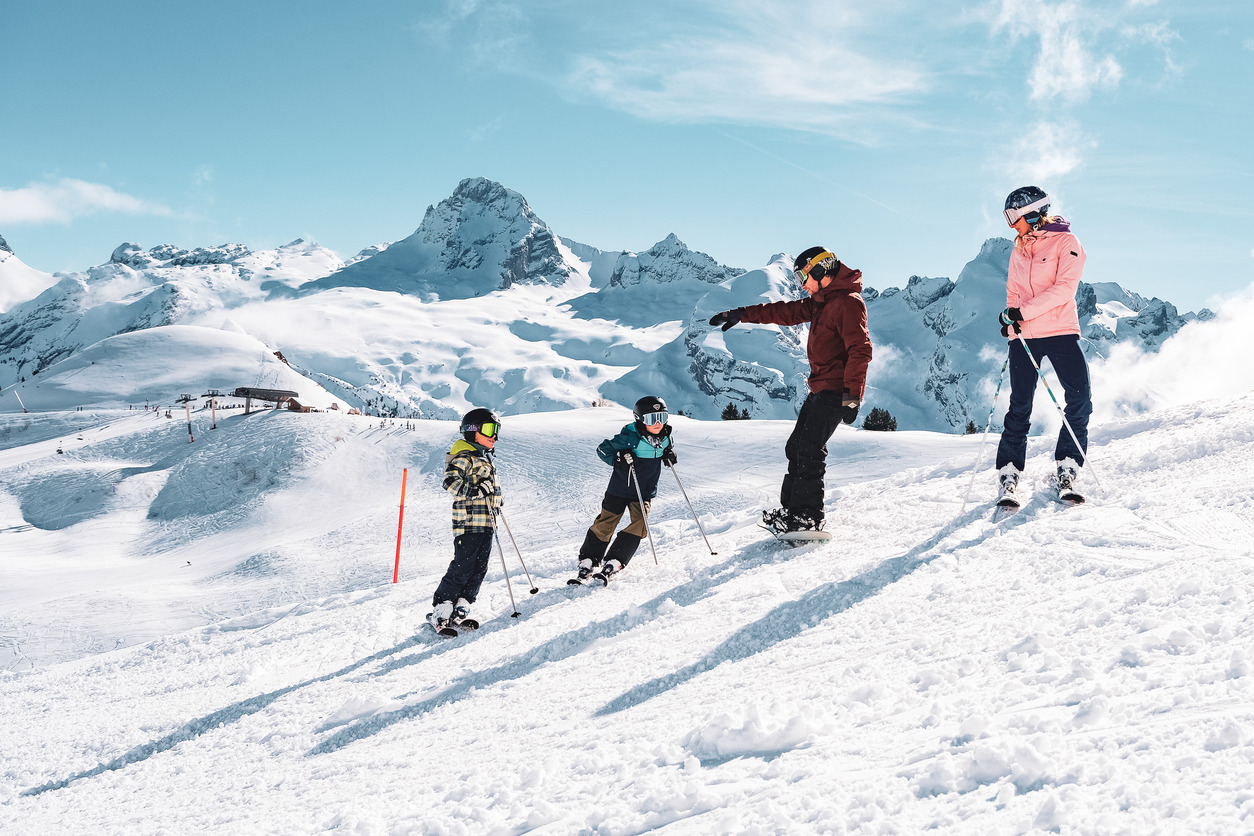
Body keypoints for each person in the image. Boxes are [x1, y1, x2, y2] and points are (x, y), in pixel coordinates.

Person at [708, 246, 872, 533]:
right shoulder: (821, 301)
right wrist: (741, 314)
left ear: (821, 270)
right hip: (820, 388)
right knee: (796, 447)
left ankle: (808, 516)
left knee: (810, 449)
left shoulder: (847, 303)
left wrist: (851, 397)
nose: (802, 284)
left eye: (803, 277)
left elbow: (860, 350)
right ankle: (793, 511)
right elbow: (785, 311)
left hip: (836, 390)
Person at [994, 186, 1091, 506]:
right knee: (1019, 405)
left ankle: (1068, 466)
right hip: (1025, 337)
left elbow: (1064, 290)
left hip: (1061, 331)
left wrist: (1022, 313)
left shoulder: (1067, 243)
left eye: (1013, 216)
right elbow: (1013, 292)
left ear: (1032, 212)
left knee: (1079, 399)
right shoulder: (1019, 250)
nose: (1011, 224)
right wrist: (1010, 320)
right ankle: (1009, 473)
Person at [574, 395, 676, 583]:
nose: (658, 424)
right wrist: (617, 459)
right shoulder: (630, 437)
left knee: (640, 524)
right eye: (652, 419)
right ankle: (589, 559)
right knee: (606, 523)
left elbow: (665, 451)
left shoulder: (666, 438)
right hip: (619, 490)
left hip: (643, 492)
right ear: (640, 419)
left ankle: (615, 559)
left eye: (662, 417)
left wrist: (668, 455)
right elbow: (602, 450)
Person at [430, 407, 503, 631]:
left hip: (486, 524)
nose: (494, 435)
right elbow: (450, 482)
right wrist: (475, 491)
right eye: (489, 429)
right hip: (469, 523)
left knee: (480, 568)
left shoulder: (484, 459)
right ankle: (442, 607)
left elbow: (490, 488)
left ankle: (462, 605)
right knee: (462, 567)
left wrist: (497, 501)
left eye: (496, 430)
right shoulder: (464, 457)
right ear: (472, 430)